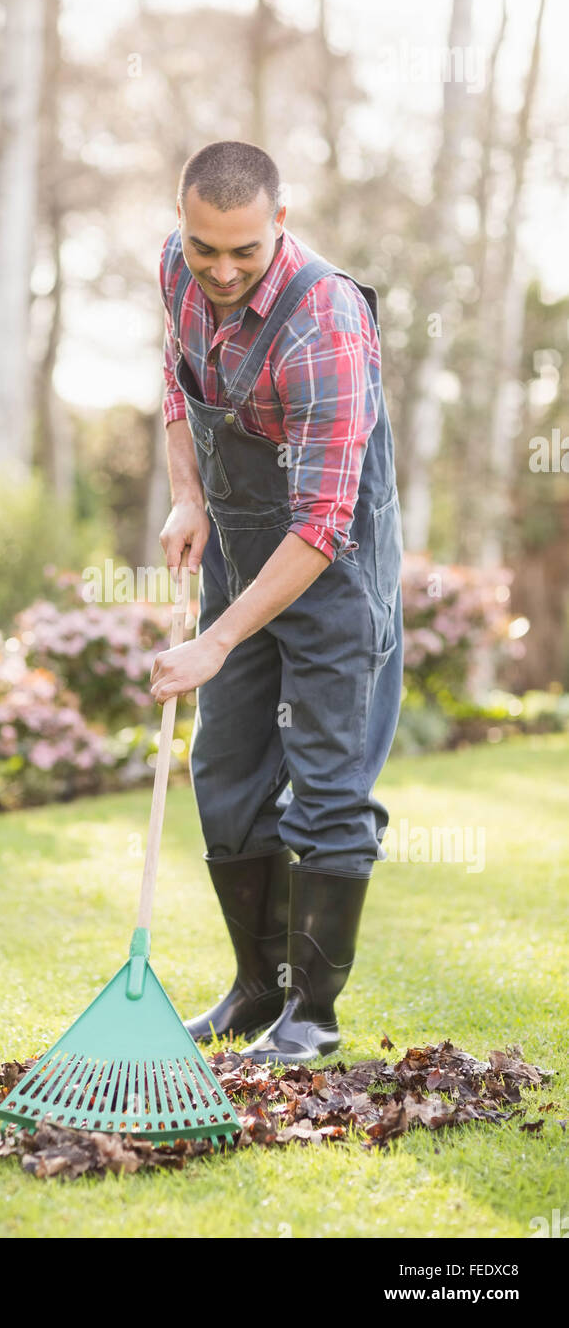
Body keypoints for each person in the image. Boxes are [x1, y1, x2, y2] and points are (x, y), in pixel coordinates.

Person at [149, 140, 403, 1064]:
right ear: (182, 224)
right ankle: (256, 993)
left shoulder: (323, 323)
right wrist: (187, 493)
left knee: (329, 791)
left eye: (243, 252)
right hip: (240, 559)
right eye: (203, 246)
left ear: (281, 224)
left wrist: (215, 643)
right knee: (225, 775)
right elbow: (178, 384)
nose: (219, 271)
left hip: (330, 575)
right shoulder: (178, 270)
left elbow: (324, 523)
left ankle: (312, 1017)